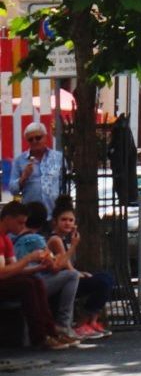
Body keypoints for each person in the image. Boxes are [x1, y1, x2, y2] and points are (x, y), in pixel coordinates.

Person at [0, 202, 70, 349]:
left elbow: (14, 269)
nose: (21, 227)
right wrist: (29, 258)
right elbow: (3, 272)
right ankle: (40, 336)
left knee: (35, 281)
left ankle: (50, 331)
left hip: (6, 280)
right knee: (28, 285)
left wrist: (38, 267)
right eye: (19, 222)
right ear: (7, 219)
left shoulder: (6, 239)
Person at [49, 205, 115, 339]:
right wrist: (74, 246)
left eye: (71, 220)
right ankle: (81, 322)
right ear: (55, 222)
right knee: (102, 282)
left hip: (71, 276)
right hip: (63, 282)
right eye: (63, 220)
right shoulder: (55, 239)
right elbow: (64, 264)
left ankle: (92, 321)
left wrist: (80, 272)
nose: (67, 223)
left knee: (107, 277)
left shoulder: (66, 239)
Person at [12, 122, 64, 214]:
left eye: (38, 138)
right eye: (30, 139)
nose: (34, 141)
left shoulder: (58, 158)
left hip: (54, 214)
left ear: (45, 137)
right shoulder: (20, 161)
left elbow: (64, 183)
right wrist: (23, 178)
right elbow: (13, 189)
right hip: (30, 214)